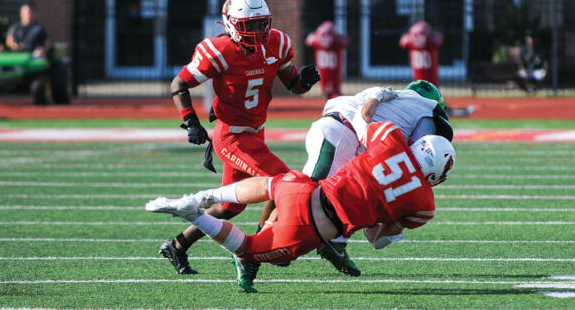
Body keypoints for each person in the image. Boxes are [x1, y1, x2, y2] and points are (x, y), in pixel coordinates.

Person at [147, 121, 455, 293]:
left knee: (272, 183)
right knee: (248, 249)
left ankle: (203, 196)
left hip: (307, 188)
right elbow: (377, 239)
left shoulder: (392, 137)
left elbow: (365, 122)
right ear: (436, 175)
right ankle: (193, 215)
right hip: (313, 227)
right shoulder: (424, 205)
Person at [159, 0, 320, 276]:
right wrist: (190, 121)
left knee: (229, 208)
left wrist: (305, 83)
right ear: (231, 24)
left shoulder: (278, 43)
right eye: (250, 26)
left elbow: (293, 84)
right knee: (281, 181)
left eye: (262, 23)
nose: (258, 32)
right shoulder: (218, 51)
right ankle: (260, 248)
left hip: (256, 133)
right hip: (232, 136)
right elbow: (179, 83)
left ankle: (178, 245)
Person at [302, 80, 454, 273]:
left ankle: (335, 241)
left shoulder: (392, 100)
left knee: (351, 195)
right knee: (304, 190)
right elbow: (420, 156)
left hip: (347, 133)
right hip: (343, 133)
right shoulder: (426, 108)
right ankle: (268, 235)